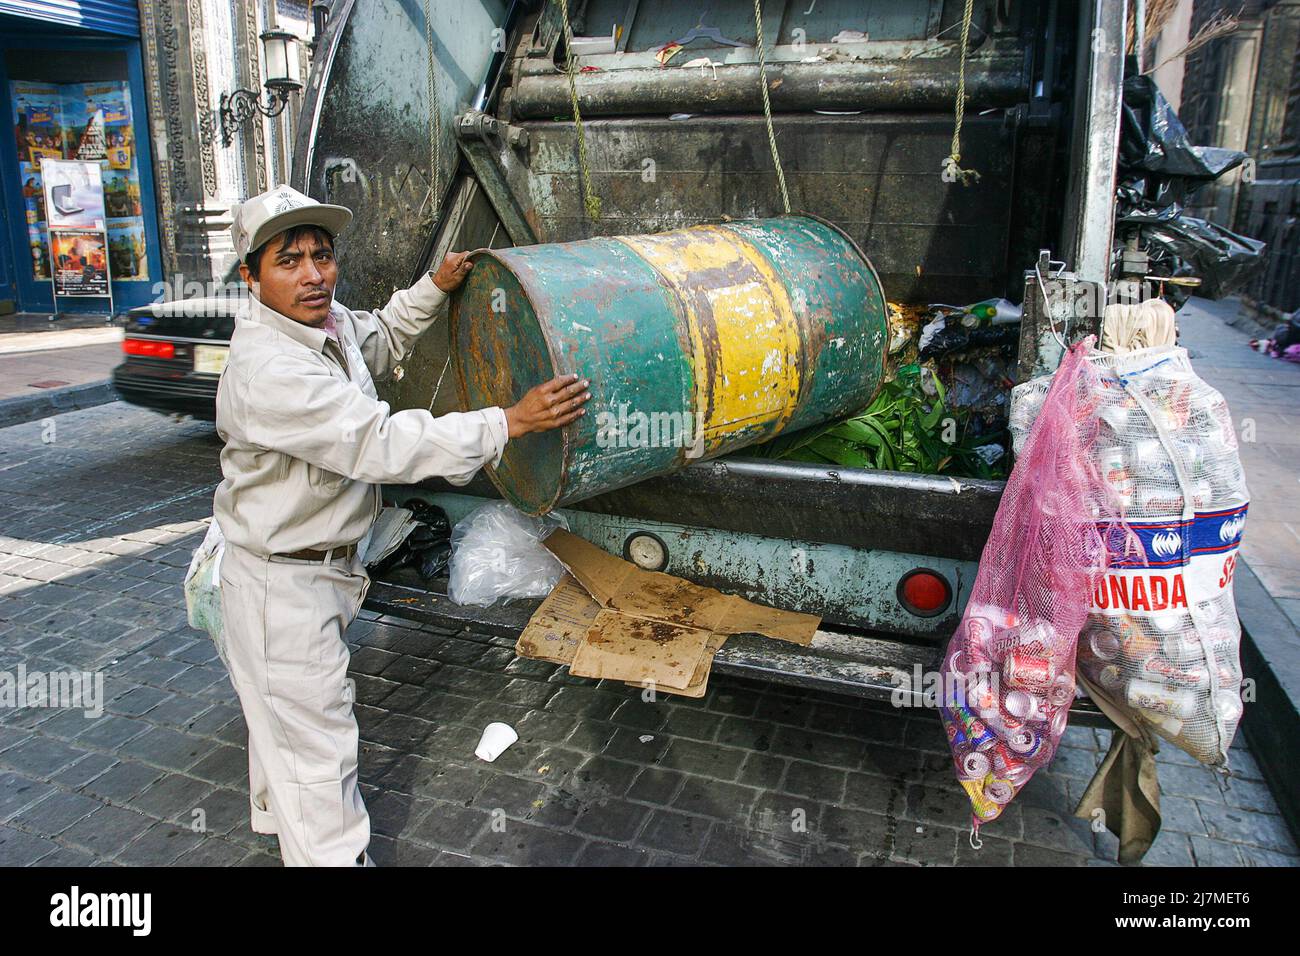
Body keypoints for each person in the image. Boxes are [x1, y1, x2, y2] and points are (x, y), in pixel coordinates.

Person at [213, 184, 589, 866]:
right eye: (288, 260)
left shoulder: (323, 328)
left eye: (321, 256)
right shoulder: (271, 369)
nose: (312, 275)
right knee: (320, 762)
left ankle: (284, 837)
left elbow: (378, 337)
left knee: (286, 741)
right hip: (280, 587)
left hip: (317, 570)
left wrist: (435, 286)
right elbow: (381, 442)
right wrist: (508, 422)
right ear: (250, 275)